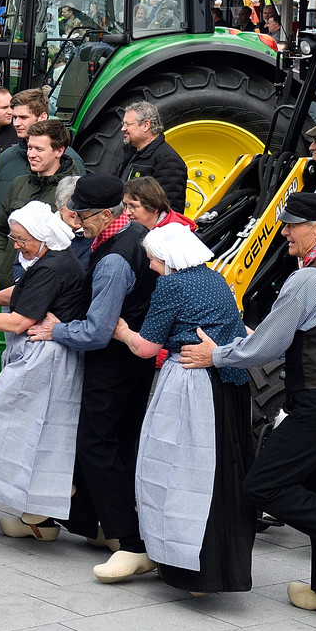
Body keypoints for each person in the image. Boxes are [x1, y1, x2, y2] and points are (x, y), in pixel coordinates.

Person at [180, 193, 316, 616]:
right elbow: (312, 330)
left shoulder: (308, 279)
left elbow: (268, 346)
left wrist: (216, 354)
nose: (285, 231)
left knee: (263, 486)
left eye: (292, 224)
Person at [107, 223, 254, 593]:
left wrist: (121, 330)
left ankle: (187, 567)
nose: (152, 267)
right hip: (229, 385)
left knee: (180, 473)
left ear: (168, 258)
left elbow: (145, 348)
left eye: (154, 260)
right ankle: (215, 565)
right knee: (220, 478)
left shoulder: (171, 286)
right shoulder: (214, 277)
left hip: (192, 385)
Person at [27, 174, 159, 582]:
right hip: (132, 364)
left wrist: (56, 330)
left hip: (112, 365)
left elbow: (98, 331)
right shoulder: (138, 234)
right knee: (118, 445)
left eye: (82, 215)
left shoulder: (116, 258)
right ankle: (98, 525)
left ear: (105, 214)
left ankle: (129, 542)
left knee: (97, 446)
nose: (75, 221)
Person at [0, 202, 87, 534]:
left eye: (22, 239)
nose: (16, 244)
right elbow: (22, 292)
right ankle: (35, 517)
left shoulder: (52, 266)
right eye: (14, 237)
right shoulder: (49, 259)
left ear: (40, 237)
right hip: (46, 355)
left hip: (46, 357)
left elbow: (20, 320)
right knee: (32, 428)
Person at [0, 120, 81, 284]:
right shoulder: (19, 184)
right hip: (10, 285)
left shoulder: (73, 191)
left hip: (49, 288)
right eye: (30, 147)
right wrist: (0, 268)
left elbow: (78, 243)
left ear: (59, 151)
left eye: (39, 149)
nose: (31, 154)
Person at [116, 102, 188, 214]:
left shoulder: (168, 161)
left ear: (146, 125)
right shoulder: (131, 154)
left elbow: (169, 209)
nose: (122, 129)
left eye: (127, 124)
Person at [123, 176, 195, 232]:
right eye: (125, 205)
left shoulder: (175, 234)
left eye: (133, 206)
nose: (127, 212)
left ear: (154, 207)